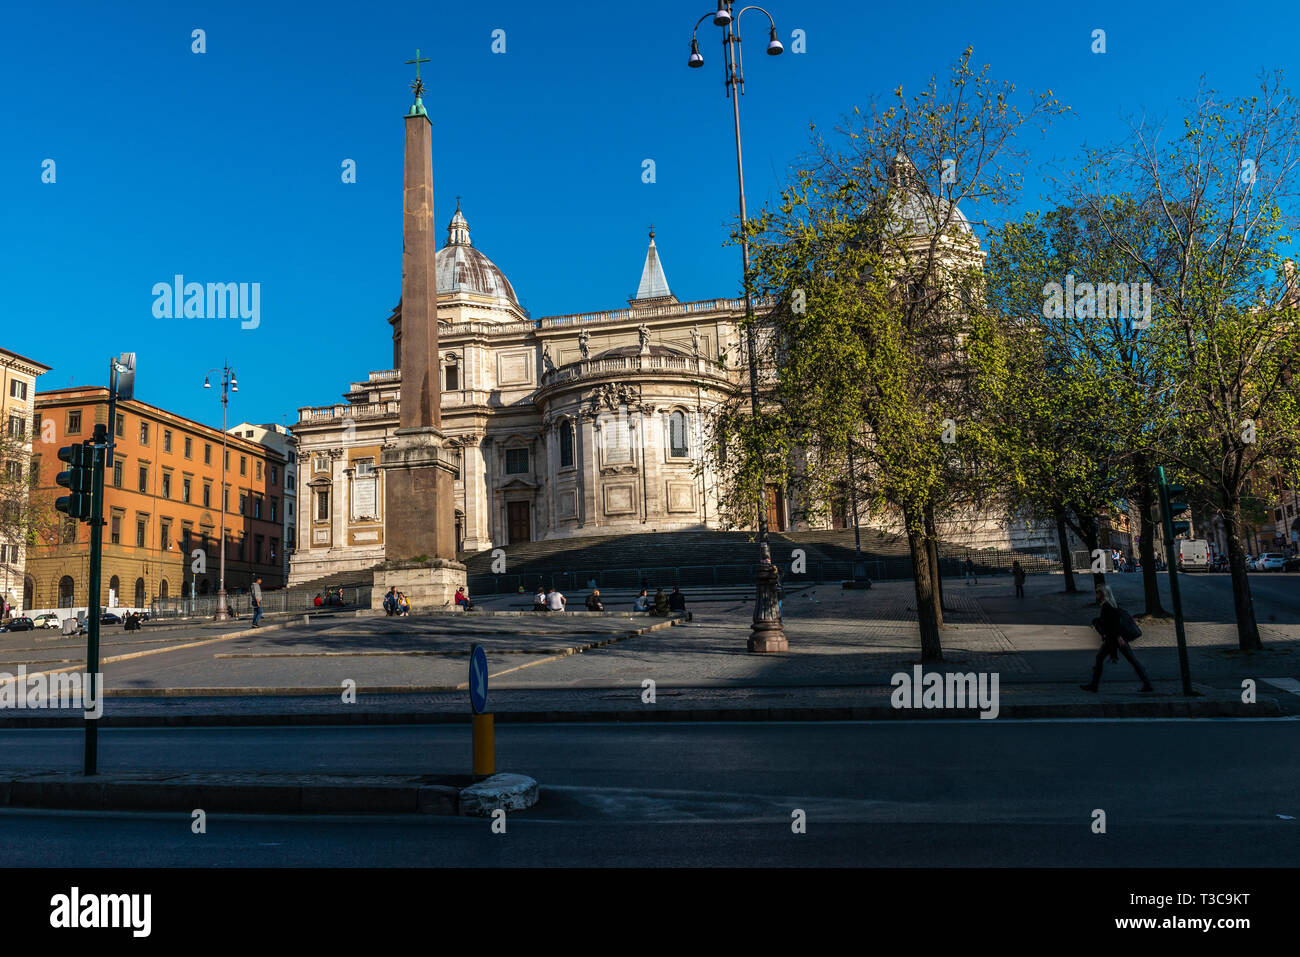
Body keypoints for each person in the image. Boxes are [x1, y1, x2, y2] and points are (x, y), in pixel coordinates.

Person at [1081, 584, 1154, 693]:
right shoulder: (1112, 604)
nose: (1096, 594)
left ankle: (1094, 685)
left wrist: (1118, 636)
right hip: (1115, 638)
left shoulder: (1106, 606)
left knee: (1101, 658)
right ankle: (1147, 683)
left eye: (1097, 592)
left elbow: (1112, 624)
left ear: (1103, 594)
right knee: (1131, 660)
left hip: (1114, 639)